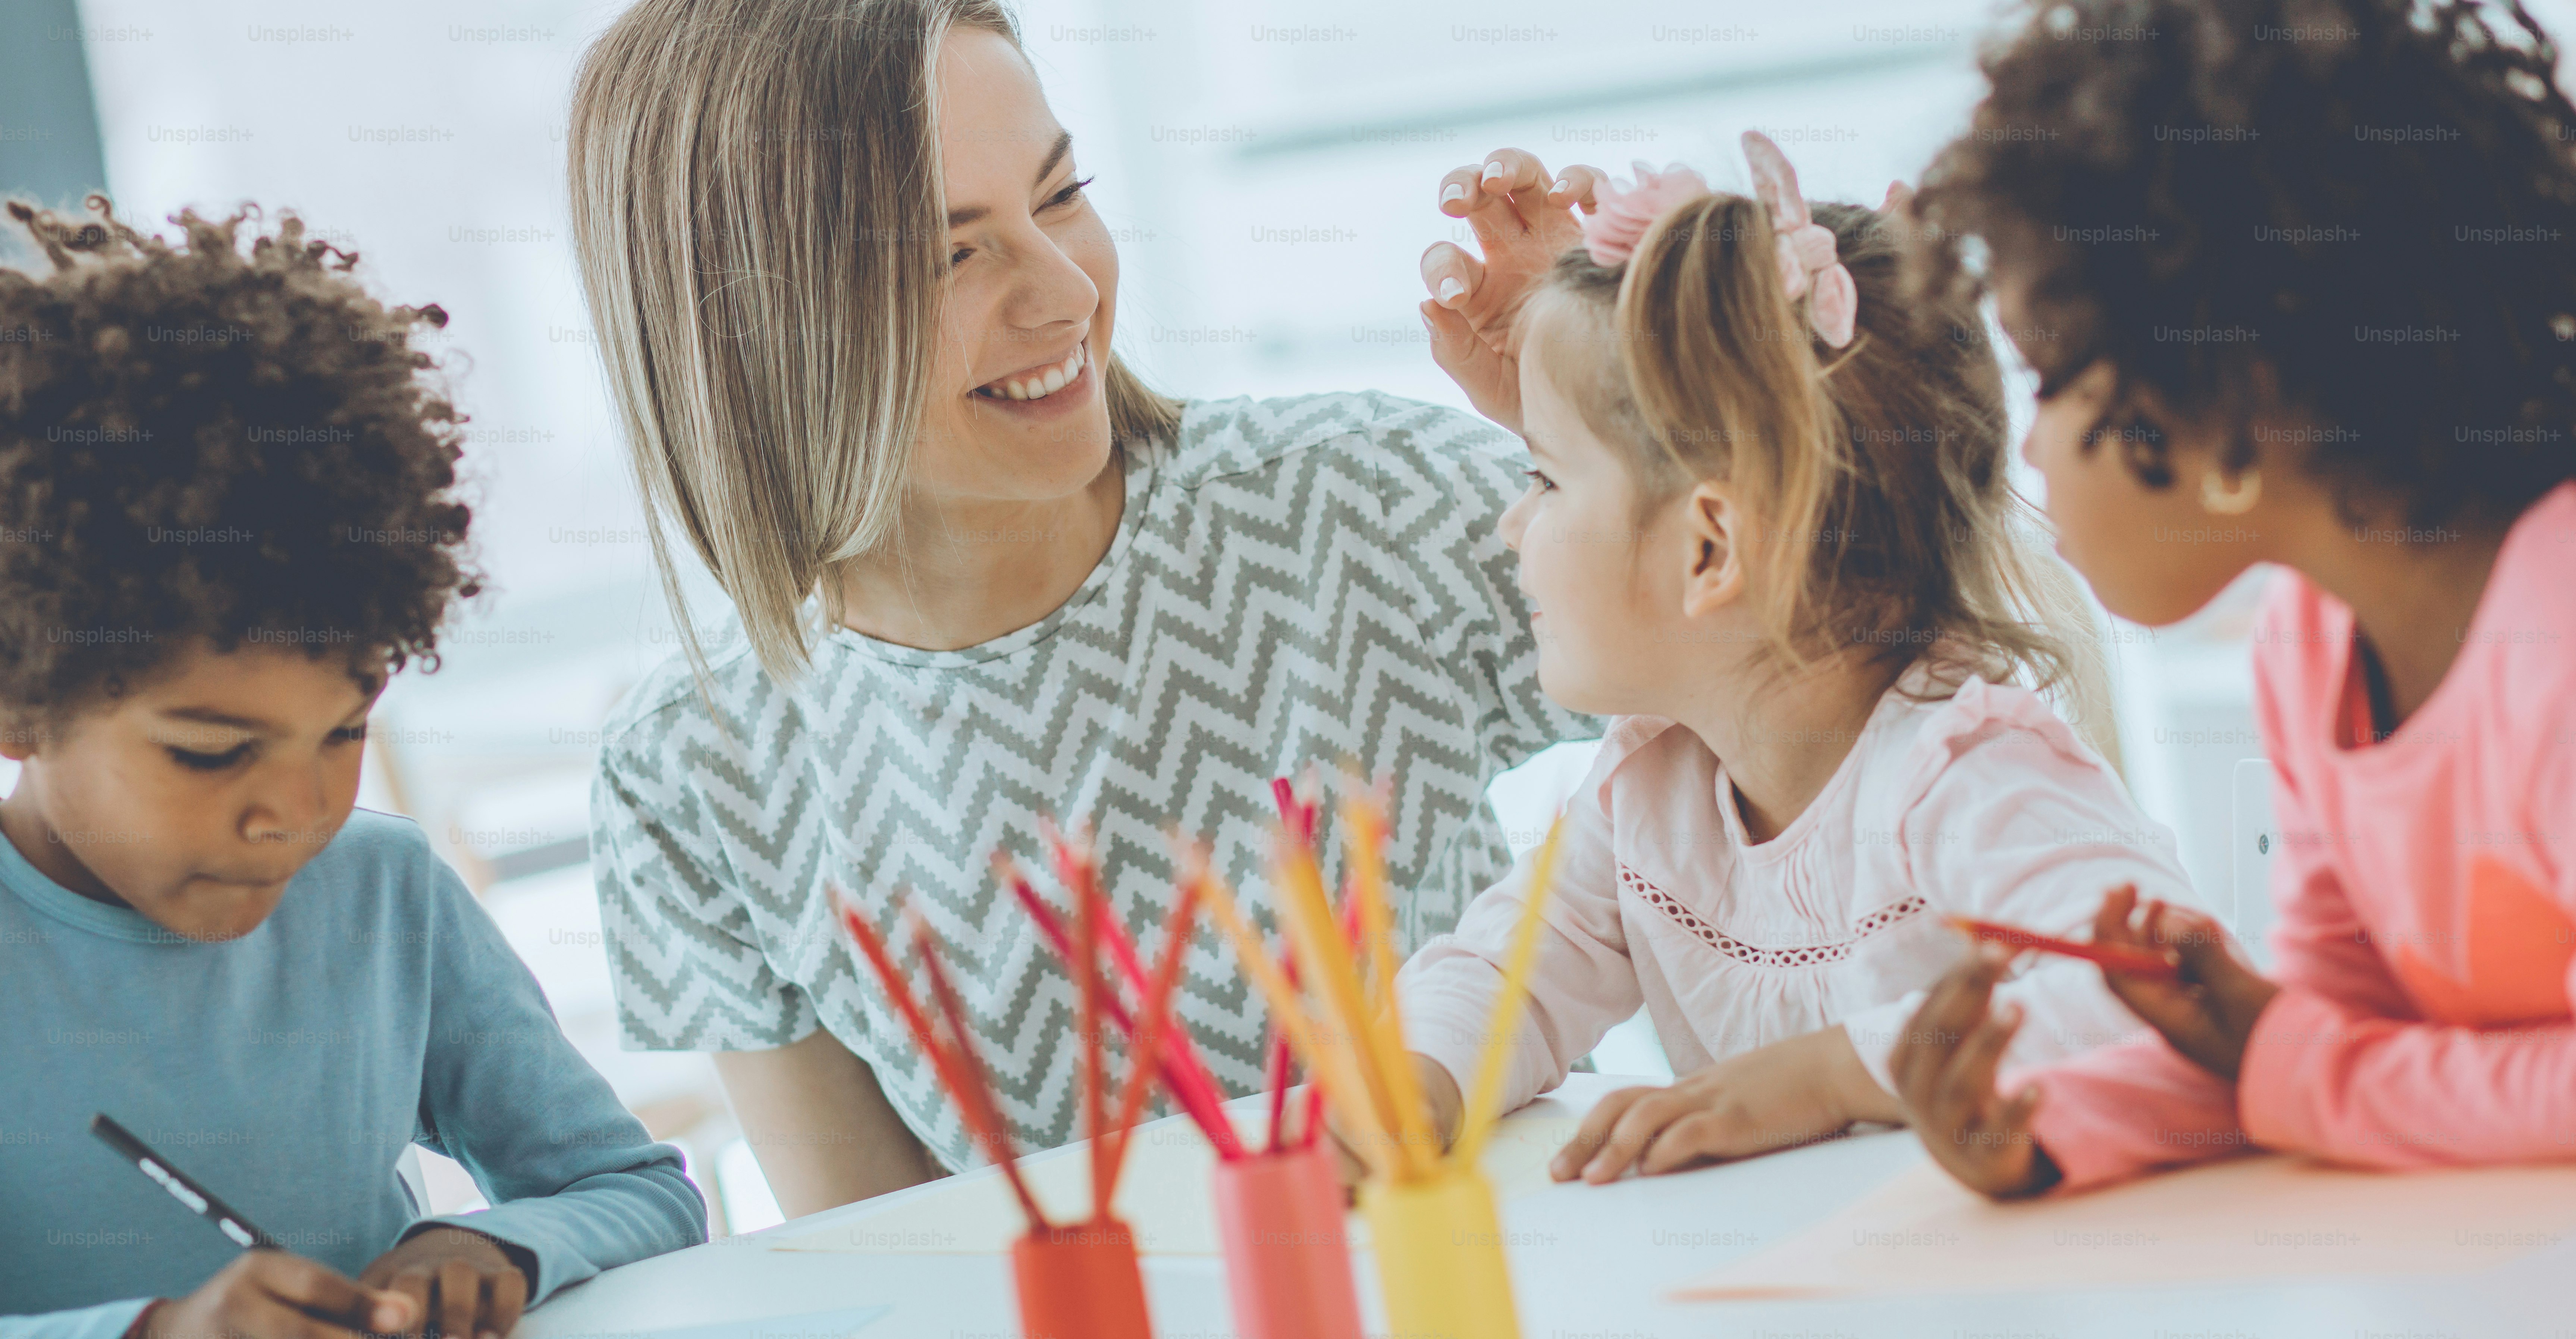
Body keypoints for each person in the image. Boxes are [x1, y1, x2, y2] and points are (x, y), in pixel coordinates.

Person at [566, 0, 1593, 1214]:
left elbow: (1779, 669)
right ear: (750, 334)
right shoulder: (689, 777)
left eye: (1059, 196)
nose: (1064, 292)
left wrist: (1611, 418)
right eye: (950, 256)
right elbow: (888, 1267)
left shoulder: (1363, 499)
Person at [1359, 134, 2189, 1184]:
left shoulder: (1967, 772)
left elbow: (2169, 999)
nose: (1511, 526)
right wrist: (1418, 1082)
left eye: (1547, 481)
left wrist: (1833, 1076)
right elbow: (1508, 971)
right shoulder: (1648, 787)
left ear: (1711, 550)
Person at [1890, 0, 2576, 1196]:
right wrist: (2047, 1125)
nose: (2030, 452)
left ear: (2225, 392)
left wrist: (2287, 1057)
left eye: (2044, 377)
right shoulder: (2309, 645)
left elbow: (2316, 1066)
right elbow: (2332, 1039)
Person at [0, 200, 705, 1339]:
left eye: (344, 730)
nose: (298, 812)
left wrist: (488, 1245)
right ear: (20, 705)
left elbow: (634, 1190)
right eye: (212, 752)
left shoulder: (386, 896)